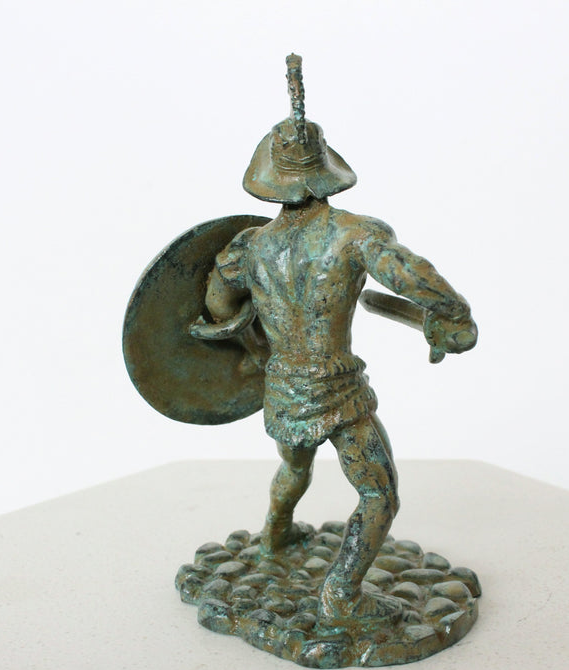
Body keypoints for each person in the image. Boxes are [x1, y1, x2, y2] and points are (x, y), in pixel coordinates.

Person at [202, 55, 477, 632]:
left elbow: (219, 307)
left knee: (294, 468)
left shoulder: (248, 247)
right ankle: (341, 596)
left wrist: (248, 324)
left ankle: (276, 536)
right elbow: (408, 273)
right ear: (327, 171)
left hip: (283, 389)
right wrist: (451, 313)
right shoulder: (356, 235)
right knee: (379, 496)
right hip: (336, 391)